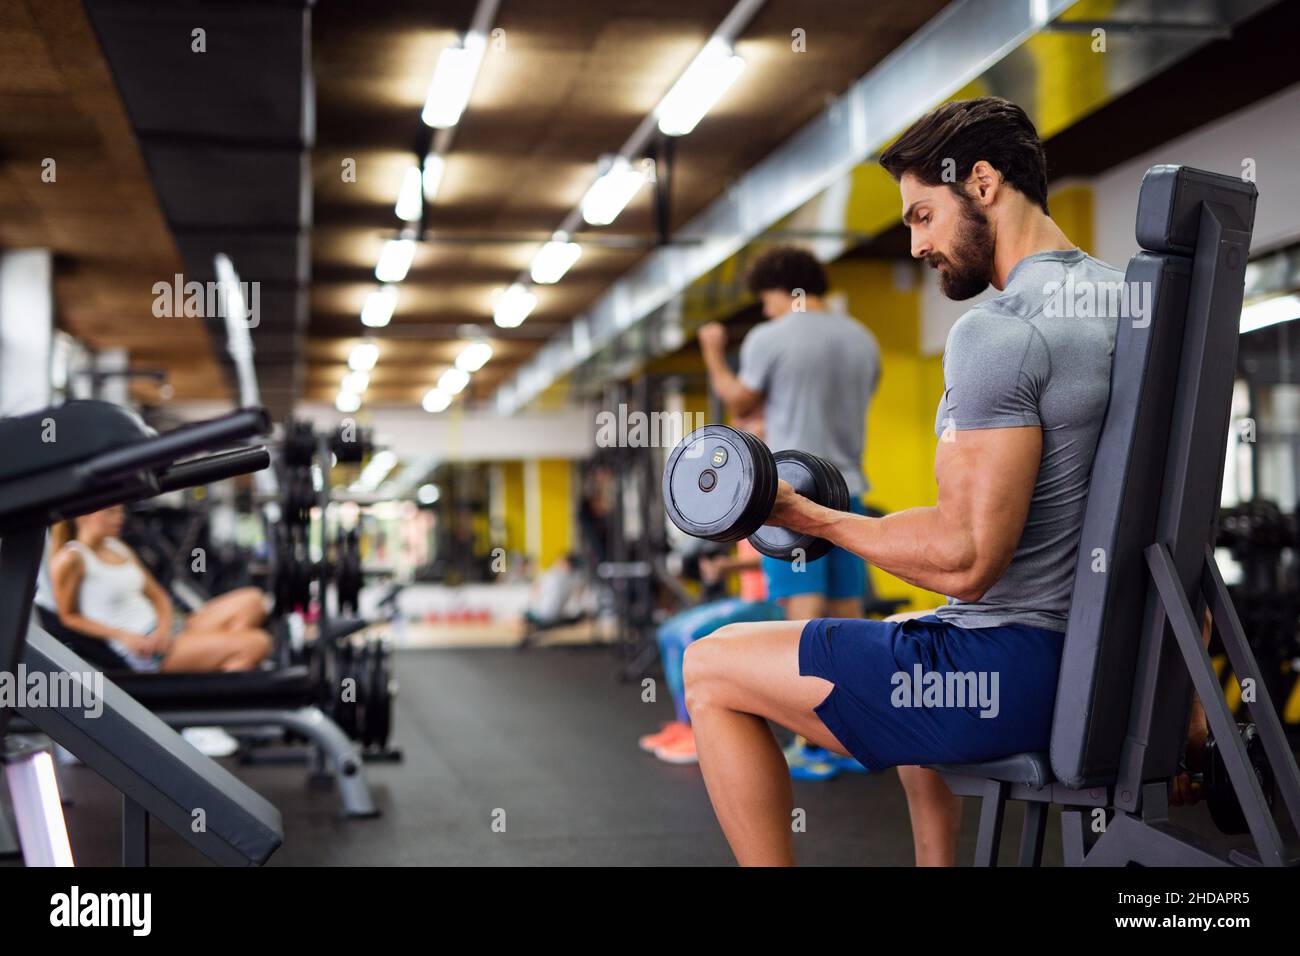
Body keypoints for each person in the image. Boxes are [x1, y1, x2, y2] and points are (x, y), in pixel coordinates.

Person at [681, 97, 1126, 866]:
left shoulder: (997, 332)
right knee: (897, 632)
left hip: (1009, 679)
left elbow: (966, 561)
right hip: (1113, 668)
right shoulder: (1125, 304)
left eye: (924, 215)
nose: (916, 243)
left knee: (710, 663)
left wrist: (805, 514)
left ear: (983, 183)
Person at [697, 247, 880, 624]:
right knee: (849, 610)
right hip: (848, 491)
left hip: (790, 493)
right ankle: (851, 684)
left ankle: (804, 685)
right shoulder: (863, 339)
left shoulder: (770, 337)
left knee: (802, 611)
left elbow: (741, 403)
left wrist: (712, 353)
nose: (766, 311)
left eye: (766, 300)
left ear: (781, 290)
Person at [48, 504, 271, 673]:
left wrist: (164, 628)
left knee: (253, 600)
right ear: (83, 515)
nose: (120, 518)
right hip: (147, 649)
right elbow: (69, 617)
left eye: (120, 512)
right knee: (257, 643)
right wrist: (123, 636)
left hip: (168, 629)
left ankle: (213, 657)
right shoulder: (71, 559)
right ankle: (217, 700)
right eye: (111, 513)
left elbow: (158, 596)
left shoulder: (116, 546)